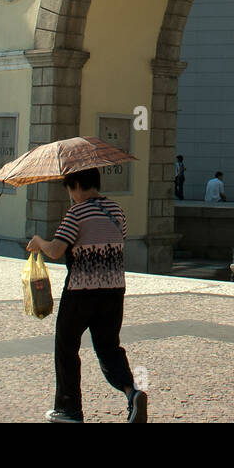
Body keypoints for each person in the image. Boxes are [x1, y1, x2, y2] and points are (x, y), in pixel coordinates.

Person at [26, 167, 146, 423]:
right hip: (114, 290)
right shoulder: (116, 211)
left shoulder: (77, 213)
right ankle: (131, 392)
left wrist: (38, 241)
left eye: (70, 189)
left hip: (81, 291)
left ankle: (70, 409)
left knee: (66, 347)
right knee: (109, 347)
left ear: (77, 185)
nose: (71, 196)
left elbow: (57, 250)